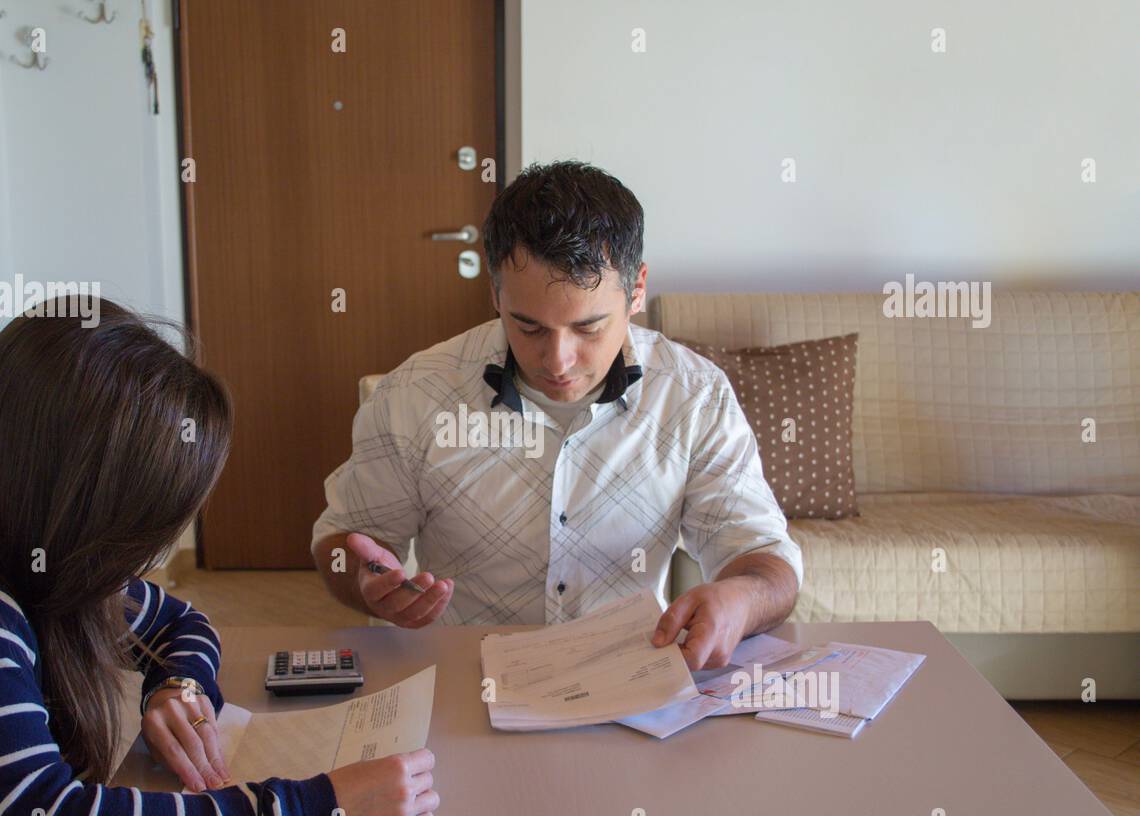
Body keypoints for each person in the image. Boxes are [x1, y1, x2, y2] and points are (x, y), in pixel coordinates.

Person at [0, 298, 437, 816]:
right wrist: (317, 811)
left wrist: (176, 686)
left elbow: (183, 621)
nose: (146, 558)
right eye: (141, 524)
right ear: (77, 503)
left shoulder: (34, 559)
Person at [312, 160, 802, 670]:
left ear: (637, 290)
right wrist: (366, 582)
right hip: (464, 676)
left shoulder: (694, 397)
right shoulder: (414, 394)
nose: (557, 360)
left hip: (627, 678)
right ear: (495, 294)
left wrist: (741, 600)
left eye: (589, 328)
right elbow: (343, 542)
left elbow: (766, 558)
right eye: (528, 327)